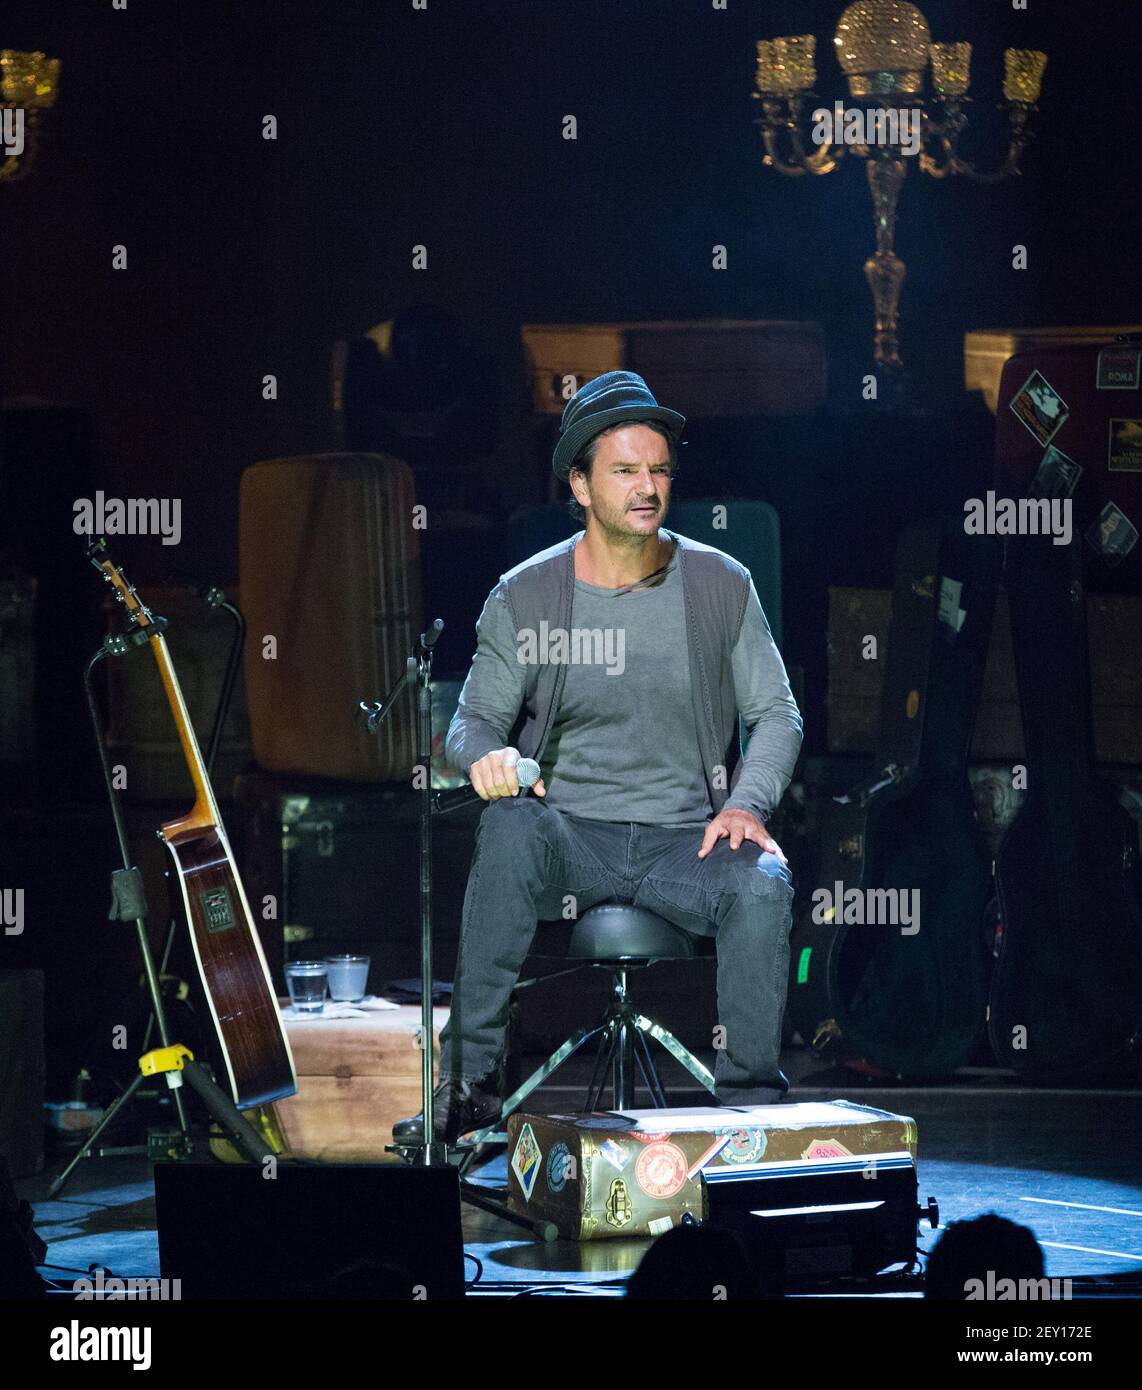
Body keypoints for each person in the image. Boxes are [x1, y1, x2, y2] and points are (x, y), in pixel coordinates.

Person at [394, 371, 803, 1143]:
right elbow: (472, 723)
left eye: (659, 470)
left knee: (764, 881)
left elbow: (777, 713)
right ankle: (470, 1089)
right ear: (578, 485)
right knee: (509, 829)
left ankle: (752, 1109)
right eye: (624, 471)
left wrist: (747, 804)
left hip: (687, 840)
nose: (647, 487)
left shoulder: (719, 584)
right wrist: (486, 760)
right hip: (568, 835)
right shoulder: (527, 595)